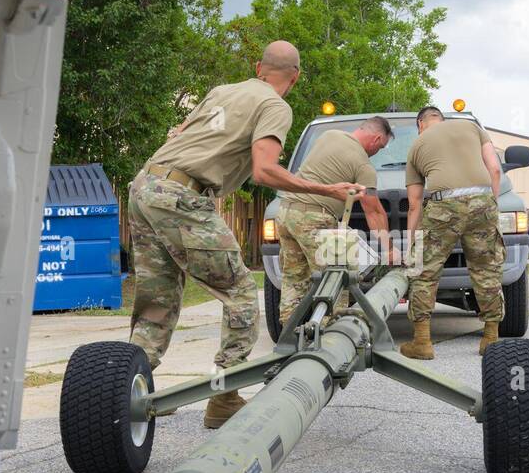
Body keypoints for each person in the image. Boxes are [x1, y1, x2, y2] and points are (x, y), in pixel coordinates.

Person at [127, 41, 363, 428]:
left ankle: (133, 387)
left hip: (145, 185)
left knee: (159, 295)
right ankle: (225, 396)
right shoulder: (275, 106)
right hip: (181, 197)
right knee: (239, 293)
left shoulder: (222, 92)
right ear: (296, 77)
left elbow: (177, 134)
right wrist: (329, 190)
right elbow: (265, 171)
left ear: (258, 66)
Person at [399, 106, 505, 359]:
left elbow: (414, 204)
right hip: (483, 200)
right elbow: (495, 170)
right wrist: (490, 206)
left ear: (420, 124)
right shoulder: (471, 126)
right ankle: (490, 338)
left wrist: (411, 245)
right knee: (486, 269)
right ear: (442, 119)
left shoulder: (416, 146)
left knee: (424, 273)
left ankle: (422, 342)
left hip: (443, 205)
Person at [275, 117, 395, 326]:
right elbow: (374, 211)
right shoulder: (363, 165)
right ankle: (332, 335)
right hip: (315, 220)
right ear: (376, 139)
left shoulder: (328, 135)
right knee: (336, 278)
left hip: (287, 212)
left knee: (294, 278)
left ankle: (289, 333)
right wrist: (390, 249)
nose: (377, 152)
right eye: (381, 147)